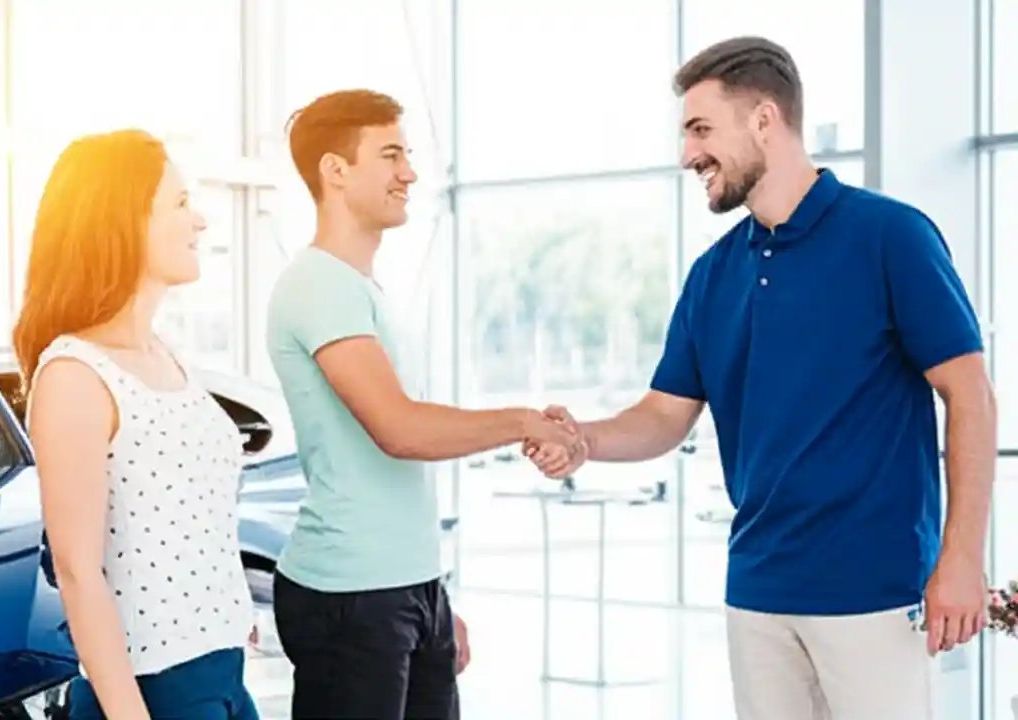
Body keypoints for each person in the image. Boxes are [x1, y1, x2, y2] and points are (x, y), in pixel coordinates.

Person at [532, 36, 997, 720]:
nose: (688, 154)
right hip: (756, 589)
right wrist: (583, 441)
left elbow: (971, 396)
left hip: (872, 589)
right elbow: (664, 415)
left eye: (700, 129)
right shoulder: (713, 274)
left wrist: (961, 558)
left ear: (763, 121)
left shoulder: (890, 236)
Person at [264, 89, 580, 720]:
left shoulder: (360, 288)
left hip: (401, 588)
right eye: (390, 155)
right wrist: (522, 421)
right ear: (335, 170)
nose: (409, 172)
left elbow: (392, 470)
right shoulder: (318, 284)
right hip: (351, 596)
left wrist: (431, 594)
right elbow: (399, 429)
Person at [13, 129, 260, 720]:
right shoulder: (75, 374)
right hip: (151, 693)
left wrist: (225, 617)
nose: (199, 221)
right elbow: (78, 571)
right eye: (179, 203)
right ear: (121, 222)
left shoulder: (163, 354)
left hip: (220, 673)